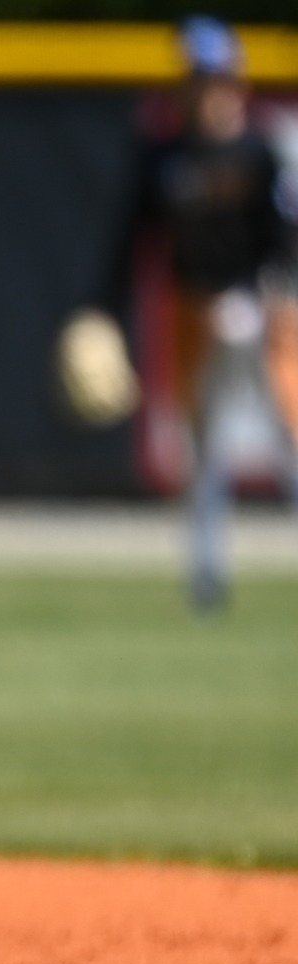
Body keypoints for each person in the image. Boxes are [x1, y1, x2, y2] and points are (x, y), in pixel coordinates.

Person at [101, 16, 298, 610]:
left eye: (214, 77)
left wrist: (268, 299)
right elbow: (130, 241)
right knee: (203, 450)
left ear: (235, 81)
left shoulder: (259, 153)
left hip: (259, 309)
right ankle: (206, 576)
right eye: (196, 77)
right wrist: (101, 313)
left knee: (291, 437)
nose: (205, 88)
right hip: (193, 310)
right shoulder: (165, 157)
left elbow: (284, 239)